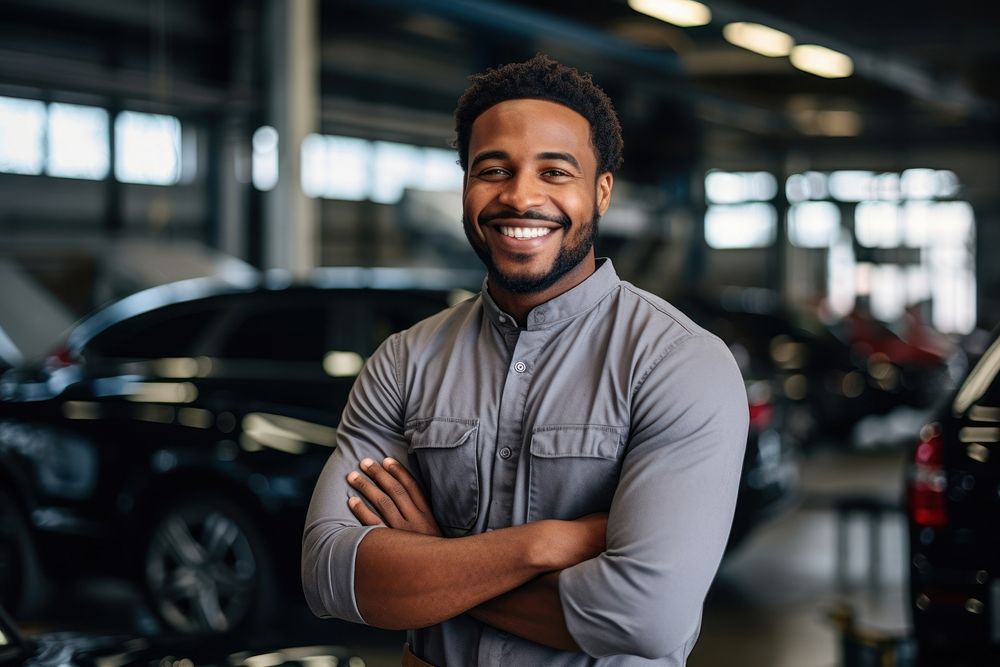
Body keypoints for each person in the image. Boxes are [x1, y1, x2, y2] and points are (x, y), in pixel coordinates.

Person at [302, 54, 749, 666]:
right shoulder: (404, 361)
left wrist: (434, 555)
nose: (520, 196)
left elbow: (645, 617)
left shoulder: (678, 363)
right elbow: (330, 576)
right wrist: (541, 546)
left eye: (555, 172)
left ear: (602, 191)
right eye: (493, 169)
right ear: (466, 184)